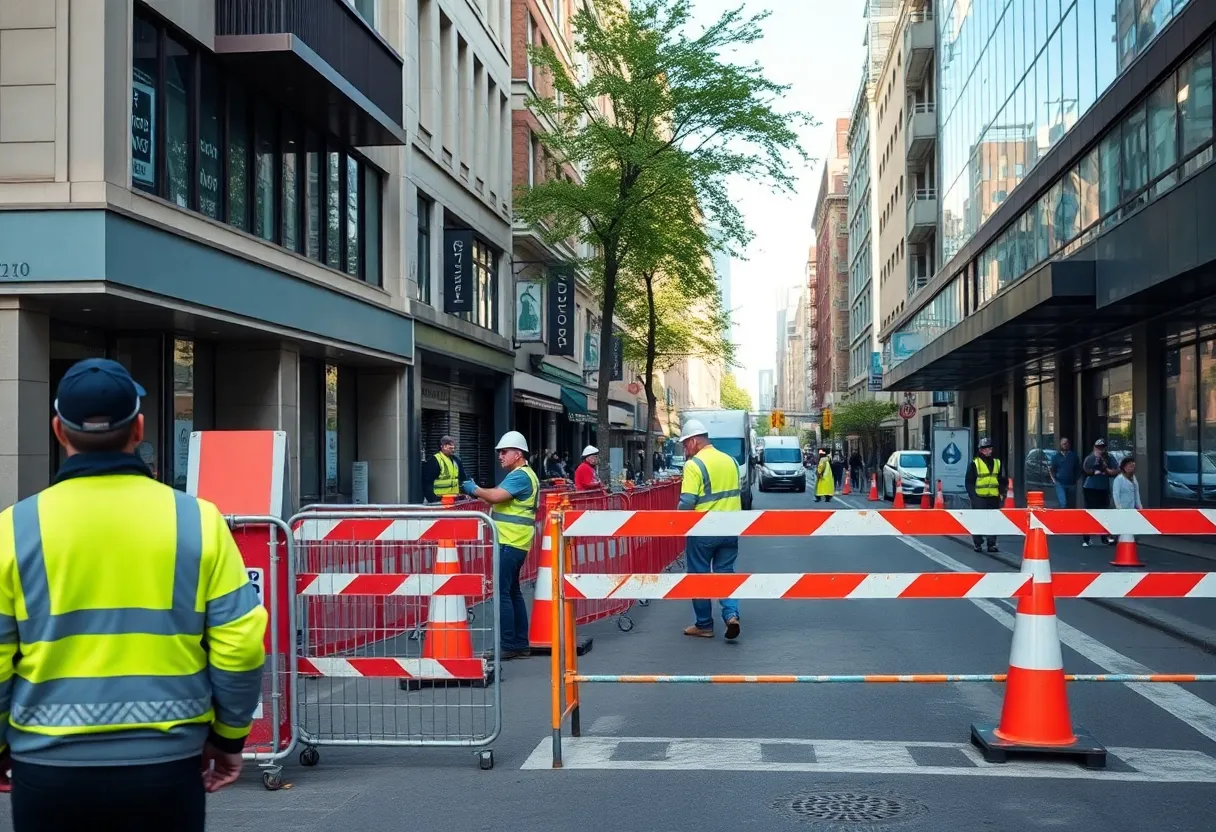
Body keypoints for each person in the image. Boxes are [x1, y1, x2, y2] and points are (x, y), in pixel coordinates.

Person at [0, 358, 267, 831]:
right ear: (139, 428)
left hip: (48, 770)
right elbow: (241, 646)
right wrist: (228, 739)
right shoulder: (198, 521)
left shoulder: (13, 529)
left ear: (58, 430)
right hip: (165, 767)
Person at [462, 431, 539, 660]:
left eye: (504, 452)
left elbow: (495, 497)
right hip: (516, 541)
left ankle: (508, 645)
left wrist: (473, 489)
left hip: (510, 541)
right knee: (513, 592)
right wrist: (482, 494)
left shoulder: (519, 476)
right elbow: (499, 497)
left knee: (503, 593)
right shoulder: (524, 475)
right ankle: (519, 643)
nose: (500, 456)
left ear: (517, 454)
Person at [678, 419, 742, 641]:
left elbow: (687, 501)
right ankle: (732, 615)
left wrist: (676, 520)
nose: (685, 449)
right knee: (726, 573)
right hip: (730, 528)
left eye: (685, 444)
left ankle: (704, 625)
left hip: (703, 530)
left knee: (699, 576)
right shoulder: (731, 461)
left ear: (694, 441)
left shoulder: (694, 465)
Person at [966, 437, 1007, 553]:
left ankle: (991, 544)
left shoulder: (997, 462)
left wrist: (1002, 492)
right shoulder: (975, 464)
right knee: (979, 520)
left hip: (993, 496)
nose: (989, 450)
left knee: (993, 520)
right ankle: (978, 543)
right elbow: (969, 481)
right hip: (979, 496)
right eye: (986, 448)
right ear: (981, 450)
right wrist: (973, 496)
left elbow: (1002, 479)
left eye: (990, 448)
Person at [1081, 438, 1116, 546]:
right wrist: (1093, 471)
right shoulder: (1091, 457)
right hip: (1091, 487)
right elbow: (1086, 468)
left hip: (1103, 487)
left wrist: (1109, 471)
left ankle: (1104, 537)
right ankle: (1087, 538)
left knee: (1104, 512)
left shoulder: (1109, 457)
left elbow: (1116, 469)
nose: (1100, 450)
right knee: (1091, 512)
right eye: (1098, 448)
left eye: (1102, 448)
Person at [421, 435, 467, 503]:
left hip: (454, 499)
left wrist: (464, 494)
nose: (453, 450)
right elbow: (427, 483)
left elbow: (463, 478)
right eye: (451, 448)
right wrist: (432, 499)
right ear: (443, 447)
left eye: (454, 448)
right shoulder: (434, 460)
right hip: (439, 500)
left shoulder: (456, 460)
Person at [1048, 437, 1080, 508]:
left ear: (1069, 444)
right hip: (1060, 483)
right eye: (1063, 444)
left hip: (1072, 483)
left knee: (1071, 504)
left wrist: (1076, 478)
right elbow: (1051, 469)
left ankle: (1070, 518)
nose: (1065, 445)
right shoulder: (1056, 457)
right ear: (1060, 445)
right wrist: (1053, 480)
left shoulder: (1074, 456)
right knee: (1063, 503)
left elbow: (1077, 468)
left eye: (1066, 443)